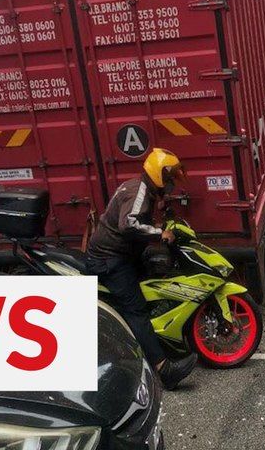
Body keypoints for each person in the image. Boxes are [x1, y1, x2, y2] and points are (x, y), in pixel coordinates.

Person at [86, 148, 197, 389]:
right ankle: (163, 369)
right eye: (169, 178)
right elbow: (128, 225)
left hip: (121, 253)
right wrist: (160, 233)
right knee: (136, 310)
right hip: (109, 259)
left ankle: (156, 342)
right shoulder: (139, 191)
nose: (171, 184)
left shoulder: (140, 187)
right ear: (158, 175)